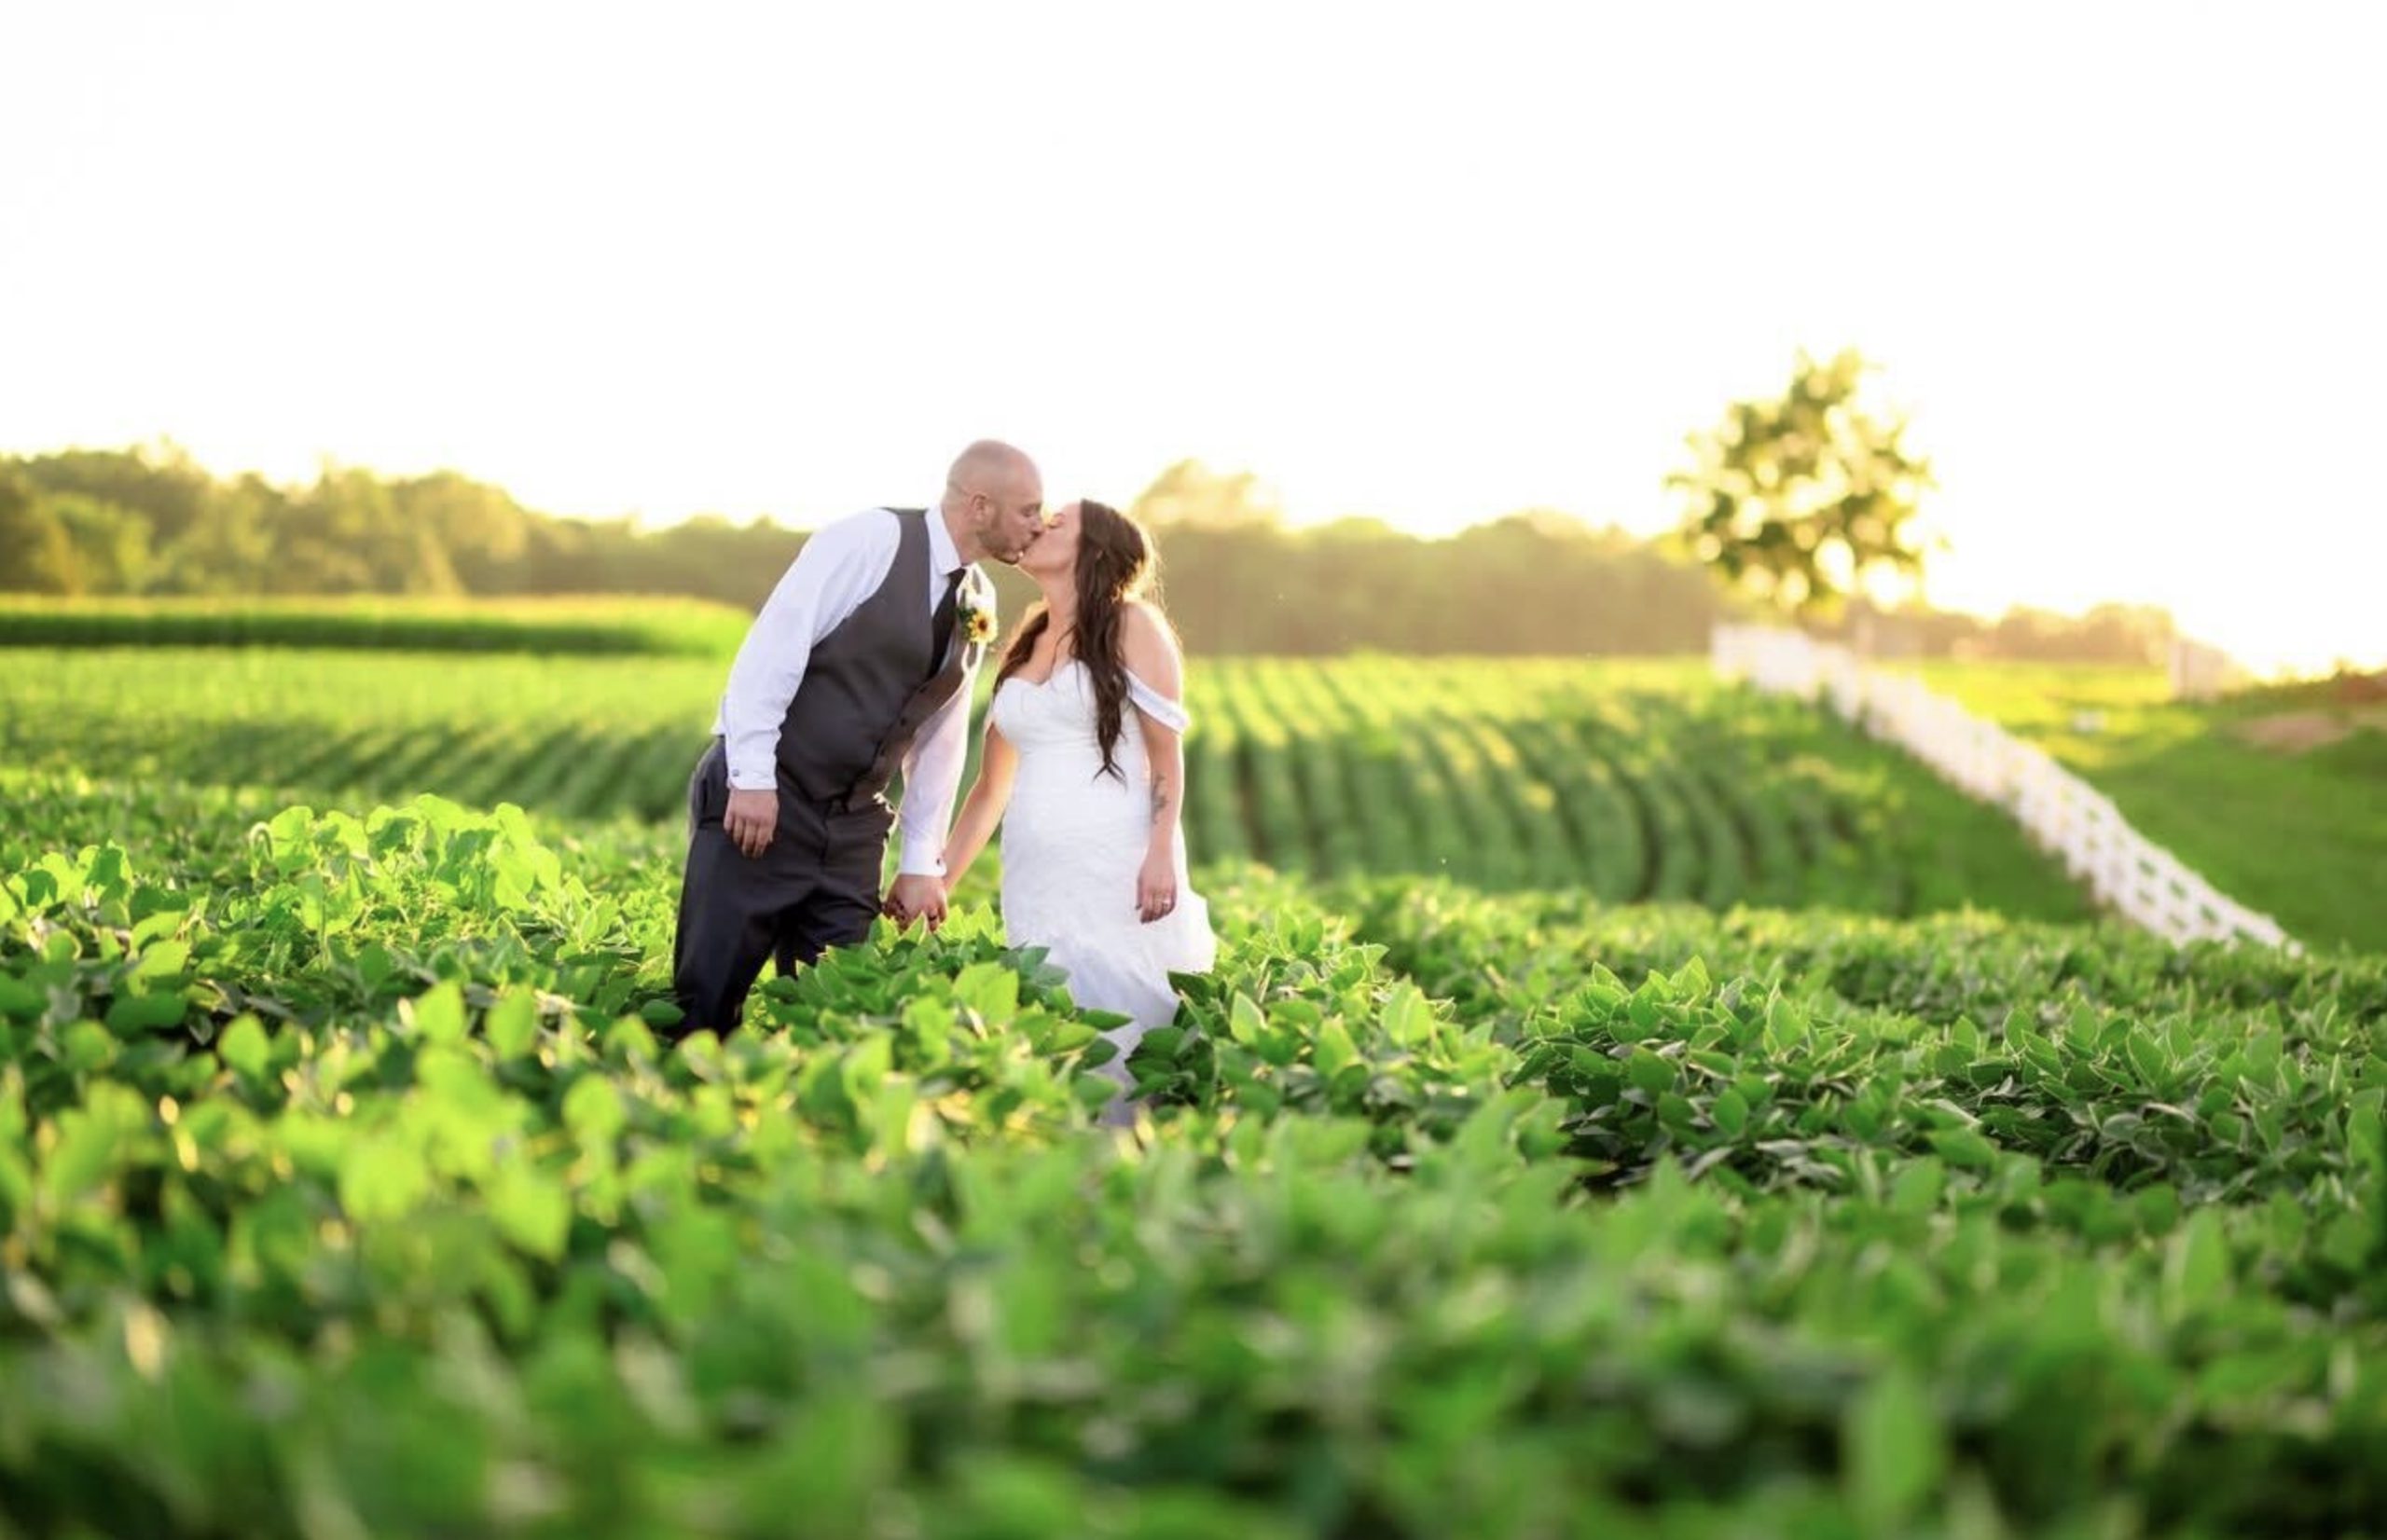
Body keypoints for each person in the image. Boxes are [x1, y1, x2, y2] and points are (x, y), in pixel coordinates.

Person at [669, 440, 1044, 1032]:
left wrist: (922, 860)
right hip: (766, 804)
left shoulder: (979, 597)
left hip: (853, 830)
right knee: (707, 1007)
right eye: (1028, 509)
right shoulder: (868, 540)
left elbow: (940, 736)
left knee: (841, 1015)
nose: (1038, 524)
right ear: (979, 506)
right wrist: (752, 777)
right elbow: (772, 653)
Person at [935, 499, 1217, 1125]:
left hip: (1116, 868)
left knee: (1122, 1041)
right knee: (1055, 1036)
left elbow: (1166, 759)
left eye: (1057, 523)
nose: (1038, 526)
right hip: (1036, 880)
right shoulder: (1029, 635)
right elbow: (989, 788)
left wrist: (1160, 854)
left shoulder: (1131, 624)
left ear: (1095, 551)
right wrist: (940, 880)